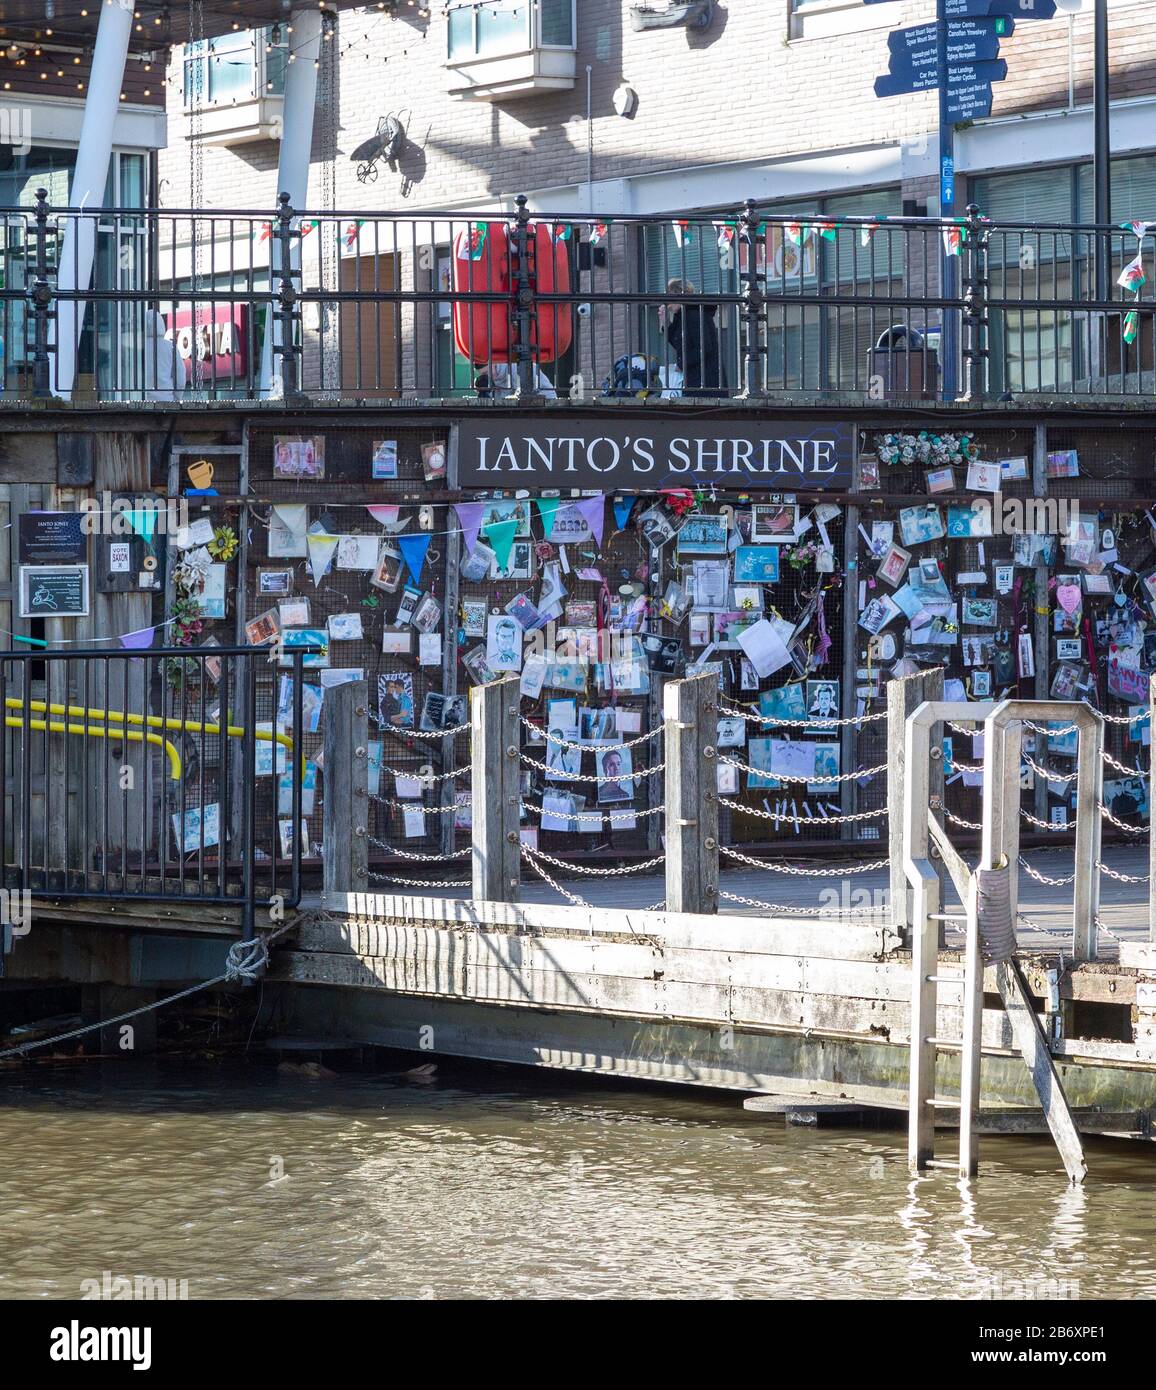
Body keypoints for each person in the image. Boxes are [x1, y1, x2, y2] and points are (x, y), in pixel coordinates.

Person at [659, 278, 726, 398]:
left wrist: (682, 364)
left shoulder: (693, 314)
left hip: (706, 383)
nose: (667, 303)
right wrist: (665, 322)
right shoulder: (682, 316)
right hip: (698, 381)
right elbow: (681, 344)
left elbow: (704, 347)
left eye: (669, 297)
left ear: (677, 296)